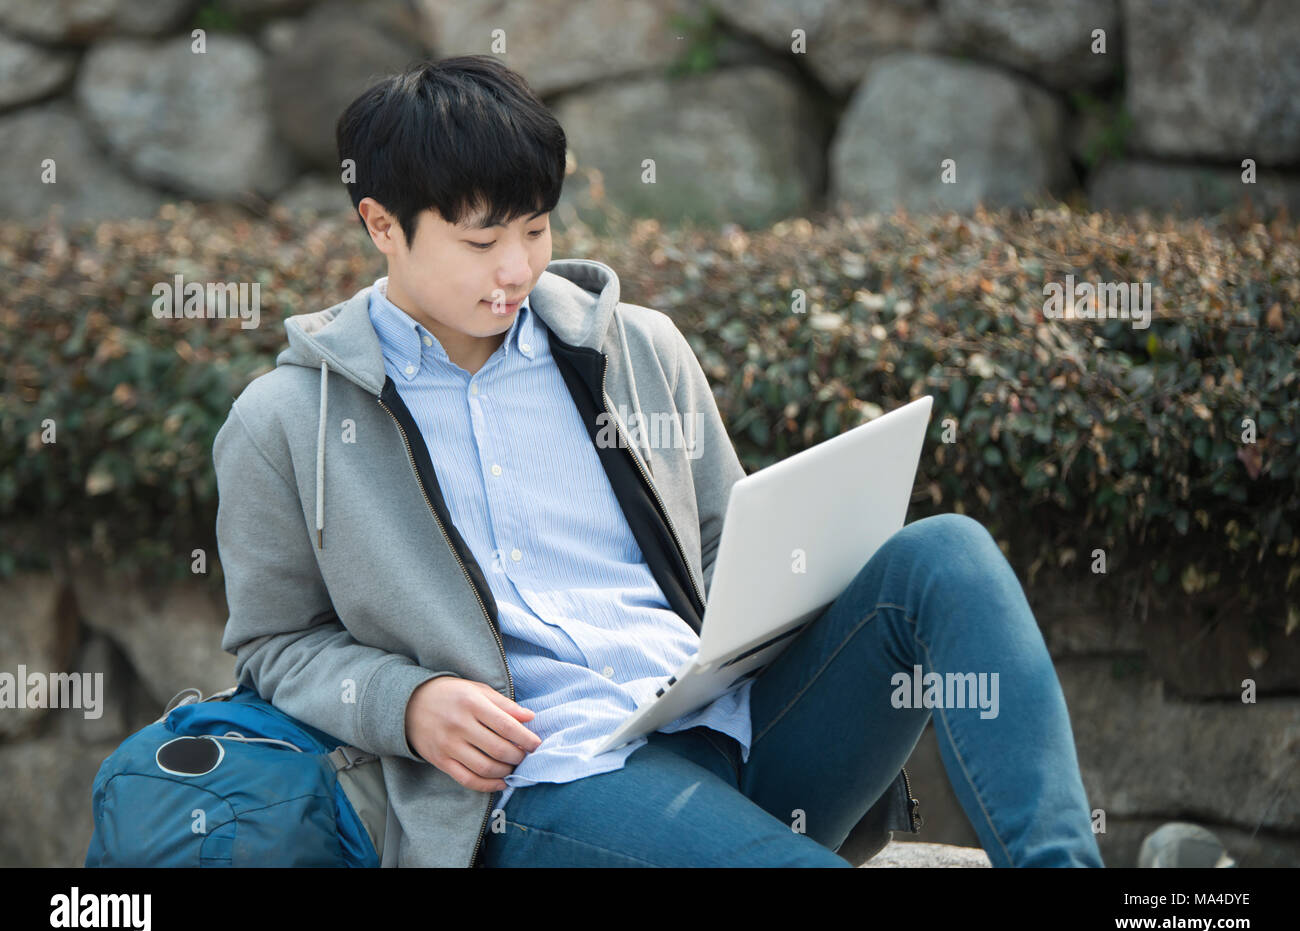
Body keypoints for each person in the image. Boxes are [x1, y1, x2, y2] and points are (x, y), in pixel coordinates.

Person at [214, 55, 1103, 867]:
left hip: (737, 730)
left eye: (536, 229)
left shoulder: (636, 350)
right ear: (381, 224)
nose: (516, 267)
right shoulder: (287, 420)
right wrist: (403, 702)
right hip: (548, 780)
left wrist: (797, 574)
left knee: (943, 555)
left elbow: (722, 545)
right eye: (481, 244)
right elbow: (272, 644)